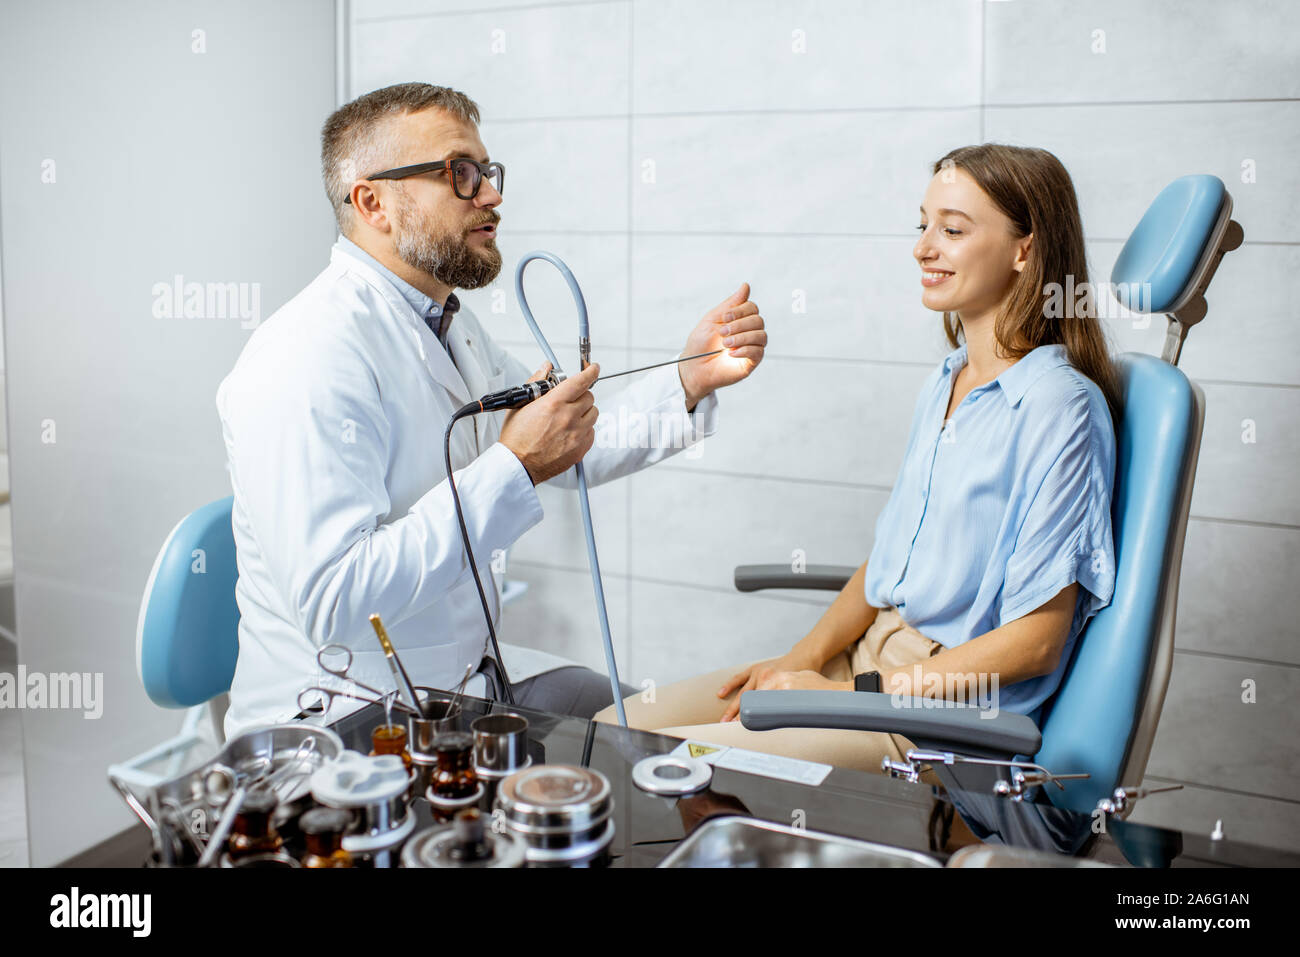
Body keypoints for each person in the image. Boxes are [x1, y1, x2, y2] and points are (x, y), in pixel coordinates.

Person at [216, 83, 766, 737]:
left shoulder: (451, 324)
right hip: (344, 728)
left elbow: (564, 445)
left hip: (457, 685)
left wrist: (689, 380)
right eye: (461, 174)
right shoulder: (305, 356)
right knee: (629, 774)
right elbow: (338, 598)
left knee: (661, 736)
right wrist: (513, 465)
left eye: (487, 171)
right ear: (374, 202)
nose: (492, 195)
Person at [597, 144, 1120, 777]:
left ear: (1024, 250)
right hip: (865, 668)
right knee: (606, 734)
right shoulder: (948, 380)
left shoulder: (1059, 408)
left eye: (952, 229)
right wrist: (800, 662)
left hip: (940, 715)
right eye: (922, 225)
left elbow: (1038, 641)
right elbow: (891, 562)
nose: (924, 247)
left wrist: (849, 698)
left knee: (678, 766)